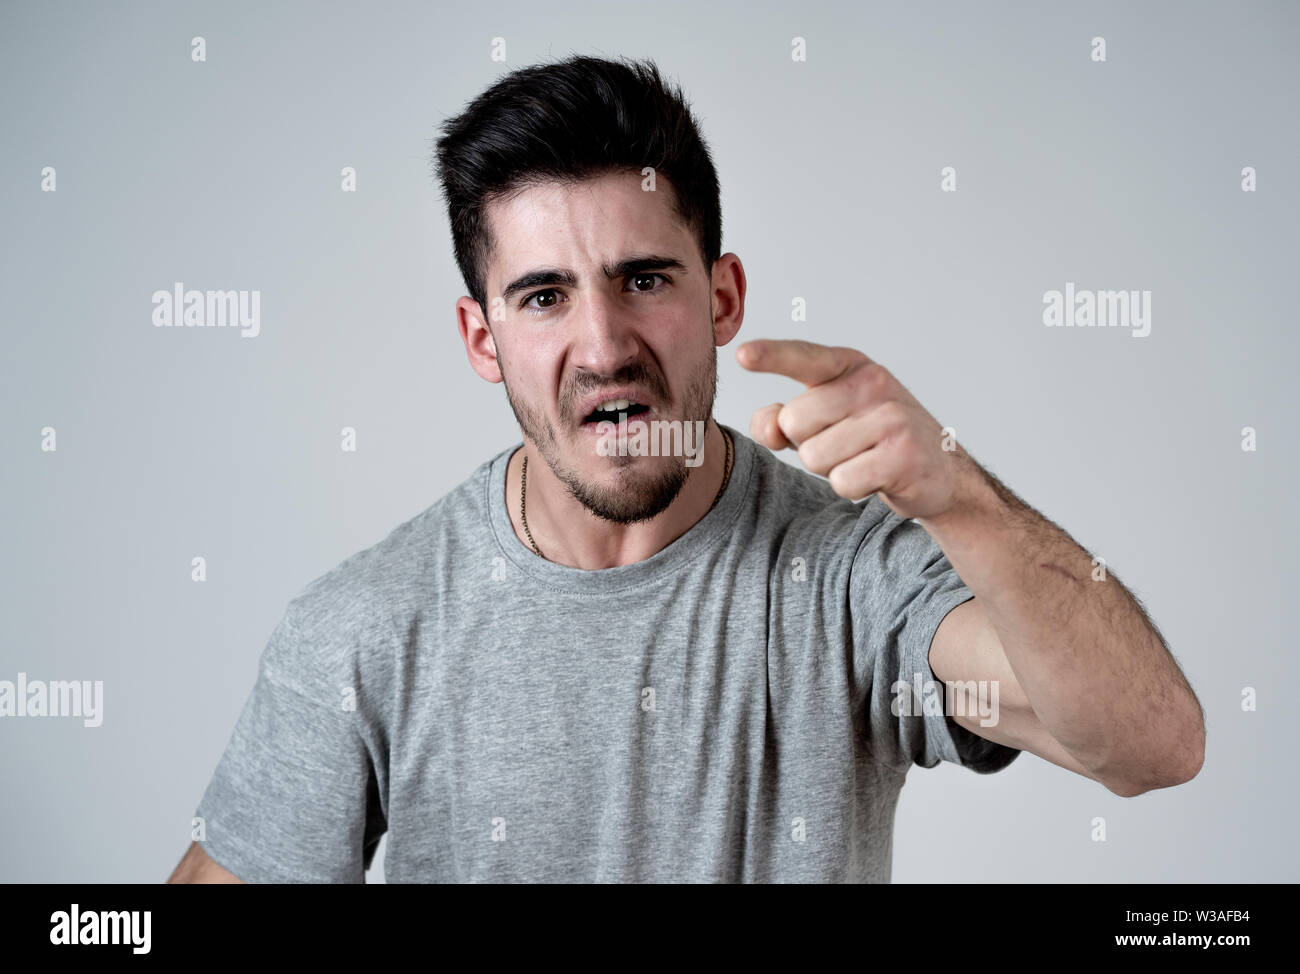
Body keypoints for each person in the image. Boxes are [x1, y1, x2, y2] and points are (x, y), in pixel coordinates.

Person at [169, 55, 1204, 884]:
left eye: (643, 278)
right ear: (481, 340)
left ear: (720, 297)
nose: (605, 342)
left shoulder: (850, 579)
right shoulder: (365, 627)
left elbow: (1149, 741)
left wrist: (961, 498)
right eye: (542, 297)